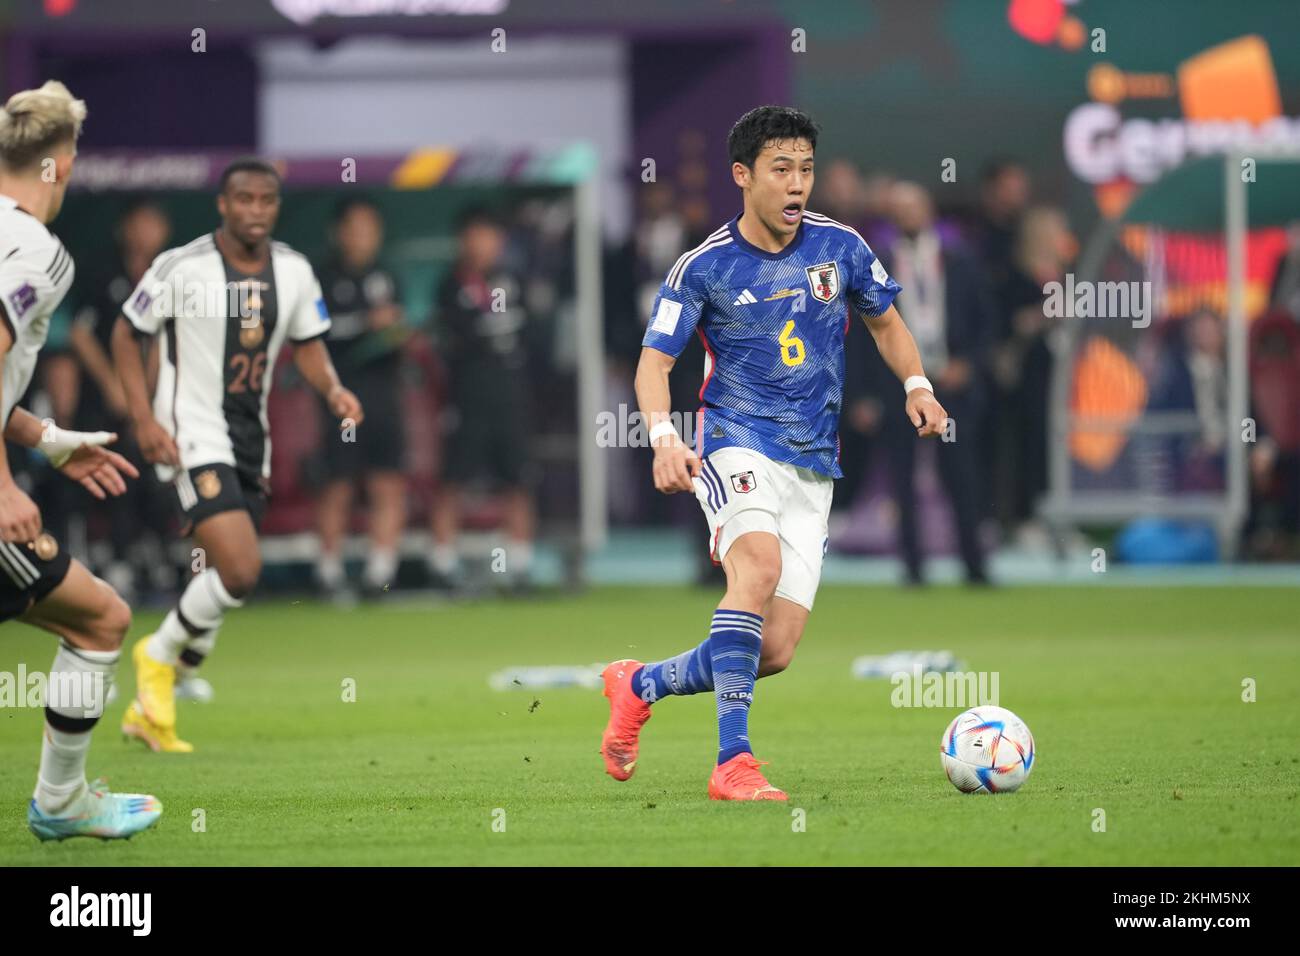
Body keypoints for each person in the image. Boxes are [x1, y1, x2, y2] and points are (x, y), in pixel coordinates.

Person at [599, 106, 947, 800]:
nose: (797, 185)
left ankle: (639, 684)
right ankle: (734, 763)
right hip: (732, 441)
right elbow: (651, 365)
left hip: (813, 462)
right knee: (753, 569)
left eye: (806, 170)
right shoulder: (704, 267)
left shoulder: (841, 247)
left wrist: (917, 384)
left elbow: (886, 322)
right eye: (781, 169)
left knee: (776, 650)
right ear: (743, 175)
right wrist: (665, 441)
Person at [111, 157, 363, 752]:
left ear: (276, 206)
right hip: (190, 431)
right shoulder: (181, 266)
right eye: (243, 199)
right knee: (243, 569)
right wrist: (143, 418)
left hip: (253, 438)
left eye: (266, 200)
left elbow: (308, 346)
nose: (254, 210)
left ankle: (162, 689)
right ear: (222, 205)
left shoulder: (295, 272)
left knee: (227, 575)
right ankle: (158, 656)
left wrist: (332, 389)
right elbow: (128, 332)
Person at [0, 80, 161, 840]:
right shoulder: (35, 248)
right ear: (57, 164)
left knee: (97, 615)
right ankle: (61, 803)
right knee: (102, 620)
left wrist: (43, 439)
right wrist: (1, 484)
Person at [877, 181, 991, 585]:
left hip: (952, 383)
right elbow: (861, 331)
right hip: (900, 386)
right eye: (900, 208)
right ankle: (912, 567)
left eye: (915, 207)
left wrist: (968, 365)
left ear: (929, 211)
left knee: (962, 474)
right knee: (903, 478)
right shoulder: (878, 262)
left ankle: (975, 565)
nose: (908, 215)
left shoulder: (958, 258)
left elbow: (984, 322)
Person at [428, 208, 536, 590]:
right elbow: (455, 339)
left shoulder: (514, 280)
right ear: (463, 241)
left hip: (510, 396)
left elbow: (531, 332)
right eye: (474, 236)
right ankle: (443, 565)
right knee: (453, 480)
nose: (481, 245)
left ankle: (519, 566)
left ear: (500, 242)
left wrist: (490, 333)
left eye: (488, 236)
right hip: (466, 397)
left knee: (517, 479)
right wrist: (488, 334)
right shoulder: (450, 285)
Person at [313, 198, 407, 598]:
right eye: (354, 228)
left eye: (370, 229)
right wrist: (366, 323)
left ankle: (380, 575)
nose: (362, 237)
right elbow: (316, 333)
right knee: (339, 483)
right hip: (341, 395)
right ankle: (329, 574)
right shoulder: (321, 278)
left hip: (384, 393)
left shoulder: (387, 275)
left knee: (387, 482)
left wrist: (397, 331)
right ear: (339, 233)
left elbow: (398, 327)